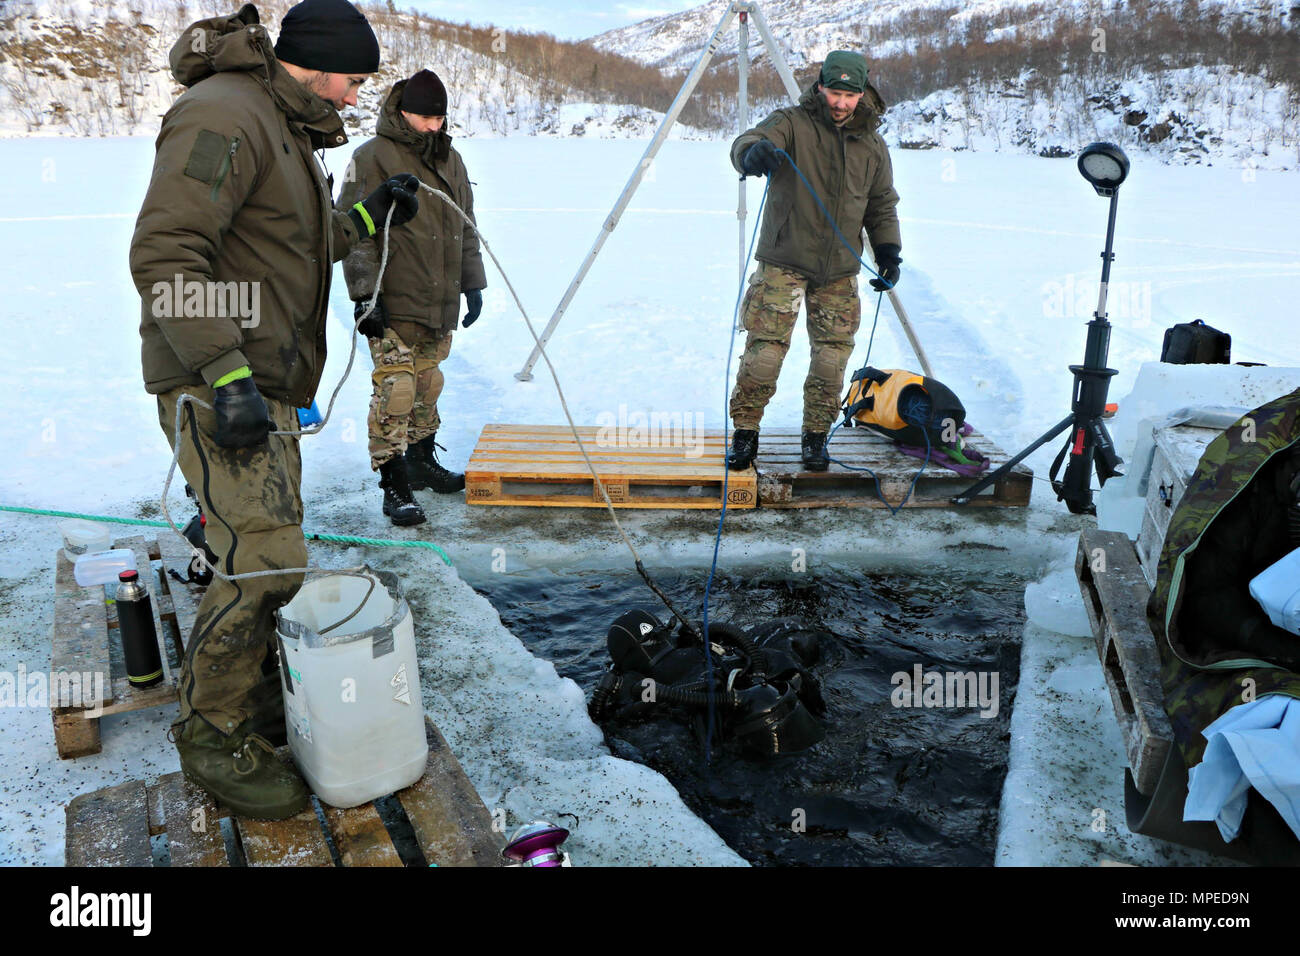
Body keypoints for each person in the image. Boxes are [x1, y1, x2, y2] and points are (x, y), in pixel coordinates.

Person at [128, 0, 422, 820]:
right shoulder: (225, 115)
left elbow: (289, 239)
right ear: (316, 63)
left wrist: (368, 215)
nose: (359, 96)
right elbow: (165, 251)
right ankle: (211, 732)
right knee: (266, 558)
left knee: (267, 550)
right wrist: (224, 374)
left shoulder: (284, 124)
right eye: (354, 79)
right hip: (218, 377)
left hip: (263, 379)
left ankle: (252, 697)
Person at [726, 50, 902, 472]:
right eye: (834, 92)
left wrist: (889, 252)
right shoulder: (792, 122)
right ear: (820, 86)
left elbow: (881, 205)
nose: (841, 103)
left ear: (862, 94)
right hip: (784, 260)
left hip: (840, 269)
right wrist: (751, 156)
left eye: (850, 94)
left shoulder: (873, 145)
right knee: (764, 352)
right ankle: (746, 433)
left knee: (831, 357)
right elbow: (748, 141)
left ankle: (816, 437)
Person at [338, 69, 487, 526]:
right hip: (393, 295)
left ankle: (422, 463)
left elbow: (465, 225)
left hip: (438, 298)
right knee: (396, 388)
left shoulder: (452, 159)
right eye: (425, 117)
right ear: (403, 112)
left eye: (440, 118)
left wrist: (472, 282)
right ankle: (394, 484)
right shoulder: (372, 157)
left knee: (427, 384)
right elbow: (352, 230)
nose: (434, 127)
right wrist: (365, 295)